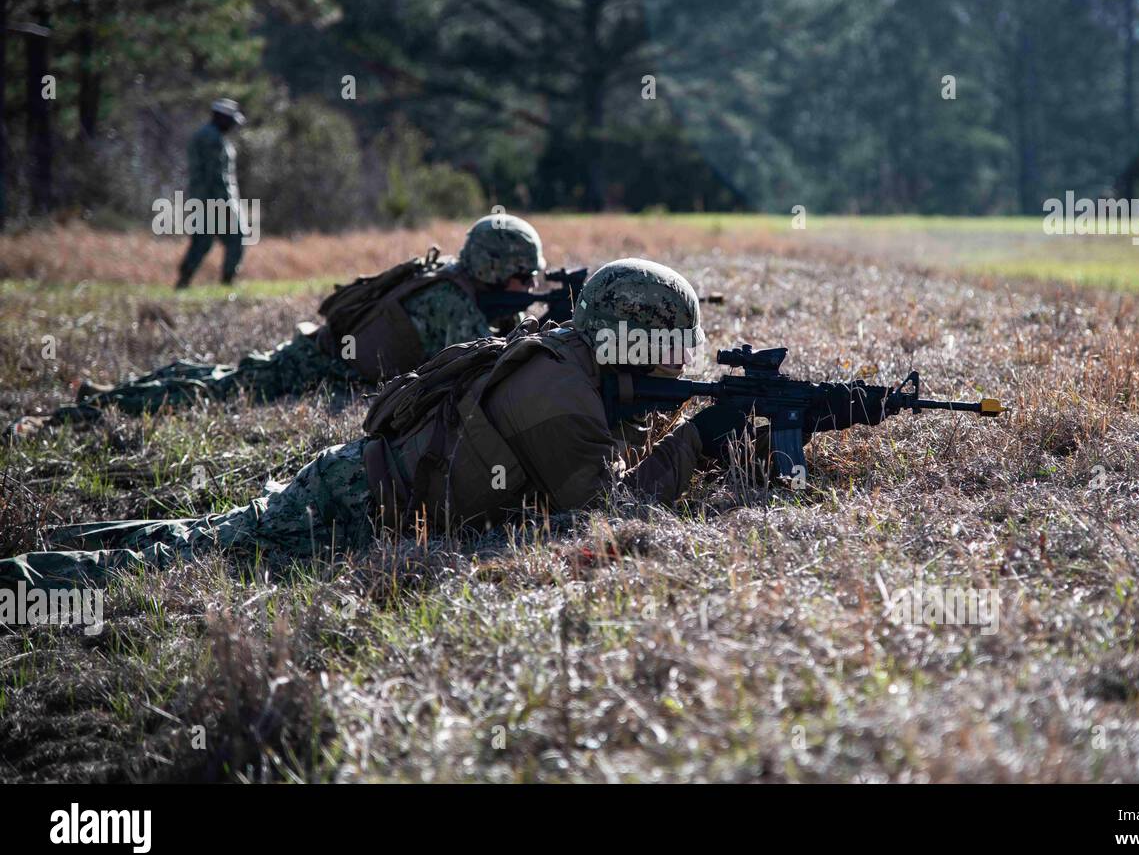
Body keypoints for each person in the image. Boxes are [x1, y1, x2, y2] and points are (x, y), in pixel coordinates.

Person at [0, 259, 883, 589]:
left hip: (367, 483)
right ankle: (28, 579)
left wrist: (708, 427)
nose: (672, 369)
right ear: (627, 339)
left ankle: (75, 541)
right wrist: (698, 440)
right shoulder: (564, 398)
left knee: (200, 540)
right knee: (181, 563)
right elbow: (603, 521)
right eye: (664, 351)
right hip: (352, 509)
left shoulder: (573, 364)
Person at [8, 214, 548, 439]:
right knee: (213, 386)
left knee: (212, 376)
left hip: (319, 354)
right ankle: (74, 414)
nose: (526, 287)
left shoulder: (453, 283)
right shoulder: (454, 305)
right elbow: (477, 369)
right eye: (522, 276)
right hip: (313, 368)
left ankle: (101, 397)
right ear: (496, 269)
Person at [177, 98, 247, 289]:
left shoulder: (207, 135)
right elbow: (216, 175)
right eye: (230, 120)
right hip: (215, 201)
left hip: (204, 199)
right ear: (221, 117)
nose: (233, 125)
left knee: (202, 242)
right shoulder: (212, 138)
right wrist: (225, 203)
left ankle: (184, 282)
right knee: (236, 237)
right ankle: (227, 283)